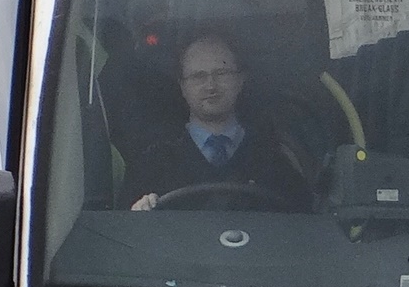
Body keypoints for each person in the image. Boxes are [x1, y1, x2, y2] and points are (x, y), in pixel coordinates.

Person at [127, 32, 310, 210]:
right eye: (198, 76)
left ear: (240, 80)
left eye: (221, 73)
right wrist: (138, 212)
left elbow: (303, 225)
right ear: (182, 86)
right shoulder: (152, 162)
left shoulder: (274, 159)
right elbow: (123, 229)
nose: (211, 85)